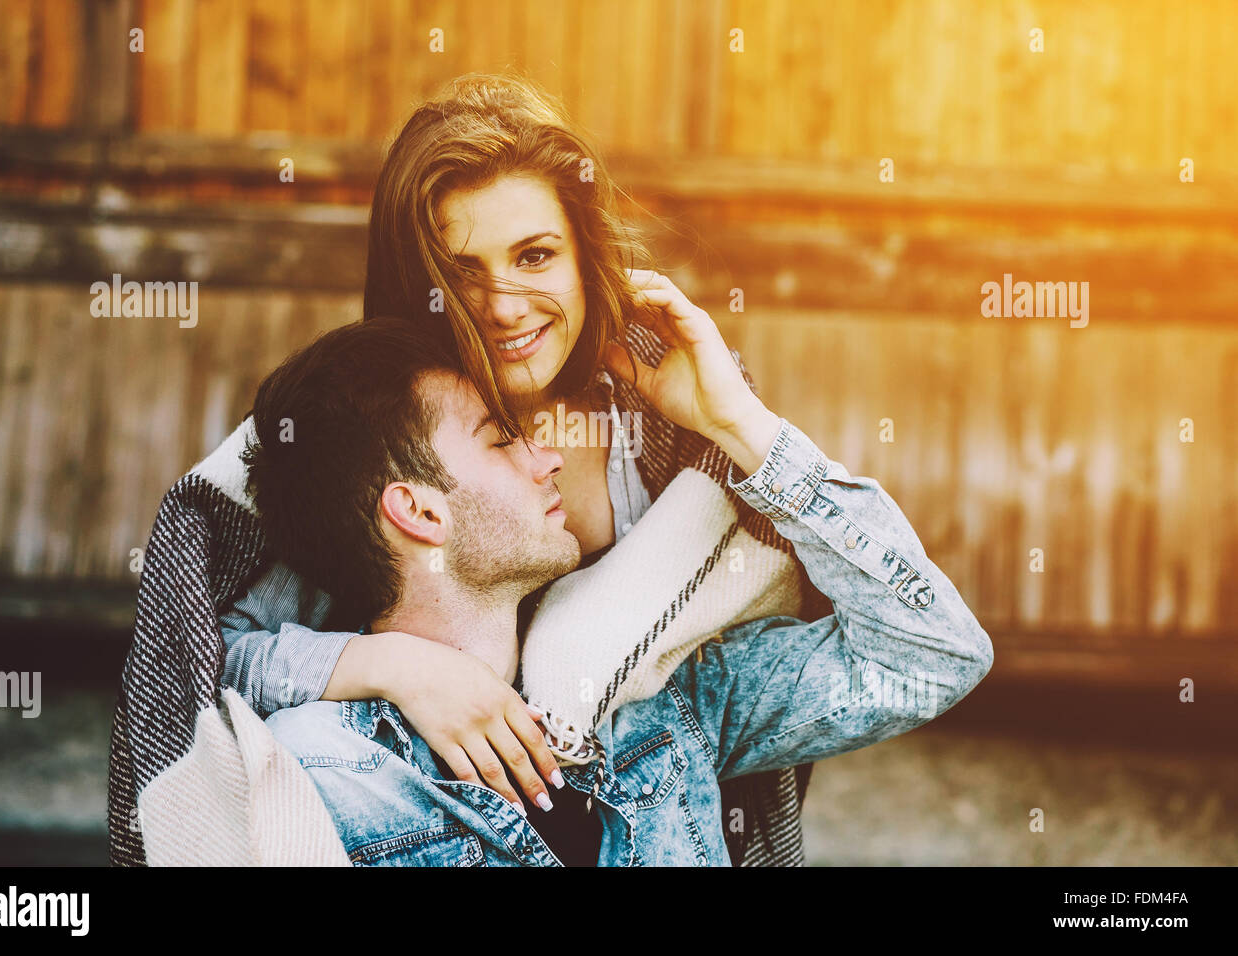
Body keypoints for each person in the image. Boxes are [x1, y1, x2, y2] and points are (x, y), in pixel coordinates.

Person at [222, 74, 845, 865]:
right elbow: (211, 657)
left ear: (586, 258)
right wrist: (396, 668)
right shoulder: (368, 428)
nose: (505, 306)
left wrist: (735, 423)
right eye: (462, 272)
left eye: (536, 256)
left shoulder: (671, 426)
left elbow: (821, 621)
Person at [242, 315, 994, 866]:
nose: (547, 458)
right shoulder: (322, 769)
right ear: (419, 511)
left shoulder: (663, 701)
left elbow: (934, 655)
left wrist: (738, 425)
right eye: (502, 440)